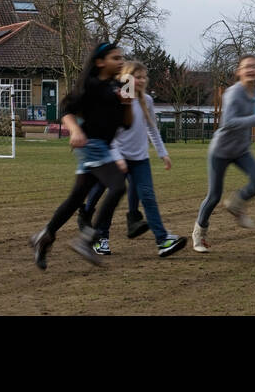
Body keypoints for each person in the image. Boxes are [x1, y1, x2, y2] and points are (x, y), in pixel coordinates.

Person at [30, 41, 133, 269]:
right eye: (115, 58)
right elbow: (65, 109)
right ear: (100, 62)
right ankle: (88, 239)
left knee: (77, 197)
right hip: (90, 144)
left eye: (121, 58)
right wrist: (75, 130)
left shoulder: (121, 86)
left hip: (102, 146)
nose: (121, 61)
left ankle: (45, 236)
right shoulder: (91, 84)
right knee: (118, 186)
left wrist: (127, 103)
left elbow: (126, 124)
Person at [78, 61, 186, 258]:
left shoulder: (148, 101)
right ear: (126, 77)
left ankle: (163, 241)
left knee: (149, 198)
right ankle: (101, 238)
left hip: (140, 160)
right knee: (111, 198)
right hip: (116, 157)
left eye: (144, 77)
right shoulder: (117, 100)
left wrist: (163, 153)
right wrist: (117, 158)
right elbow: (109, 134)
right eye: (138, 76)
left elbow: (152, 129)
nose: (142, 80)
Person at [192, 54, 255, 252]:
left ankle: (237, 204)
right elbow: (230, 123)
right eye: (246, 66)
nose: (251, 69)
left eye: (254, 66)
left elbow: (252, 117)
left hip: (241, 150)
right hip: (221, 150)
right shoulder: (233, 94)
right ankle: (199, 235)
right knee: (214, 196)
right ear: (238, 72)